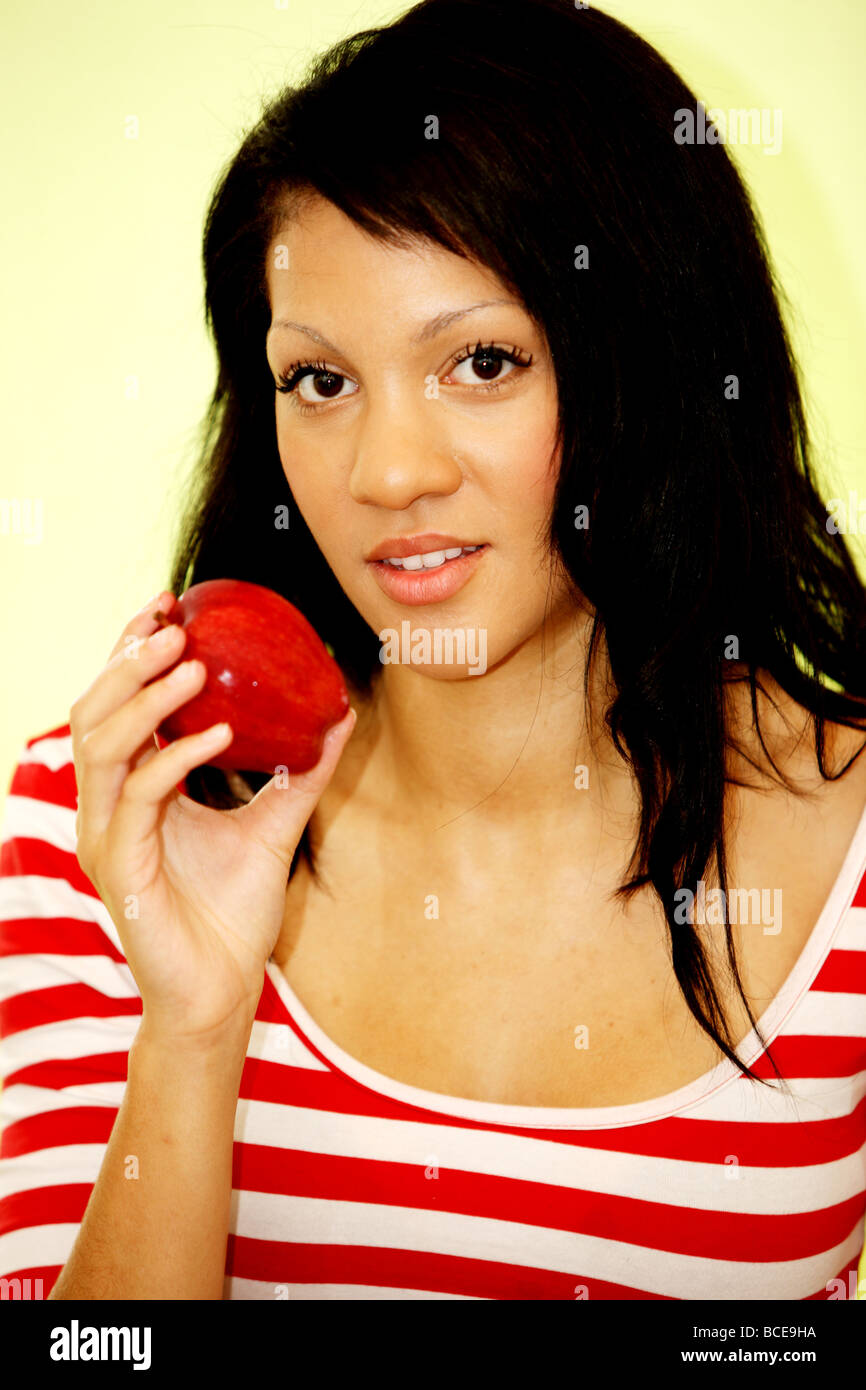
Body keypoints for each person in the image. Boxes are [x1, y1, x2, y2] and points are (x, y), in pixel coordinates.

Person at [2, 0, 865, 1301]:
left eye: (480, 360)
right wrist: (191, 1026)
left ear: (646, 364)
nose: (388, 472)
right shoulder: (111, 819)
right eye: (321, 381)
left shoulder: (851, 843)